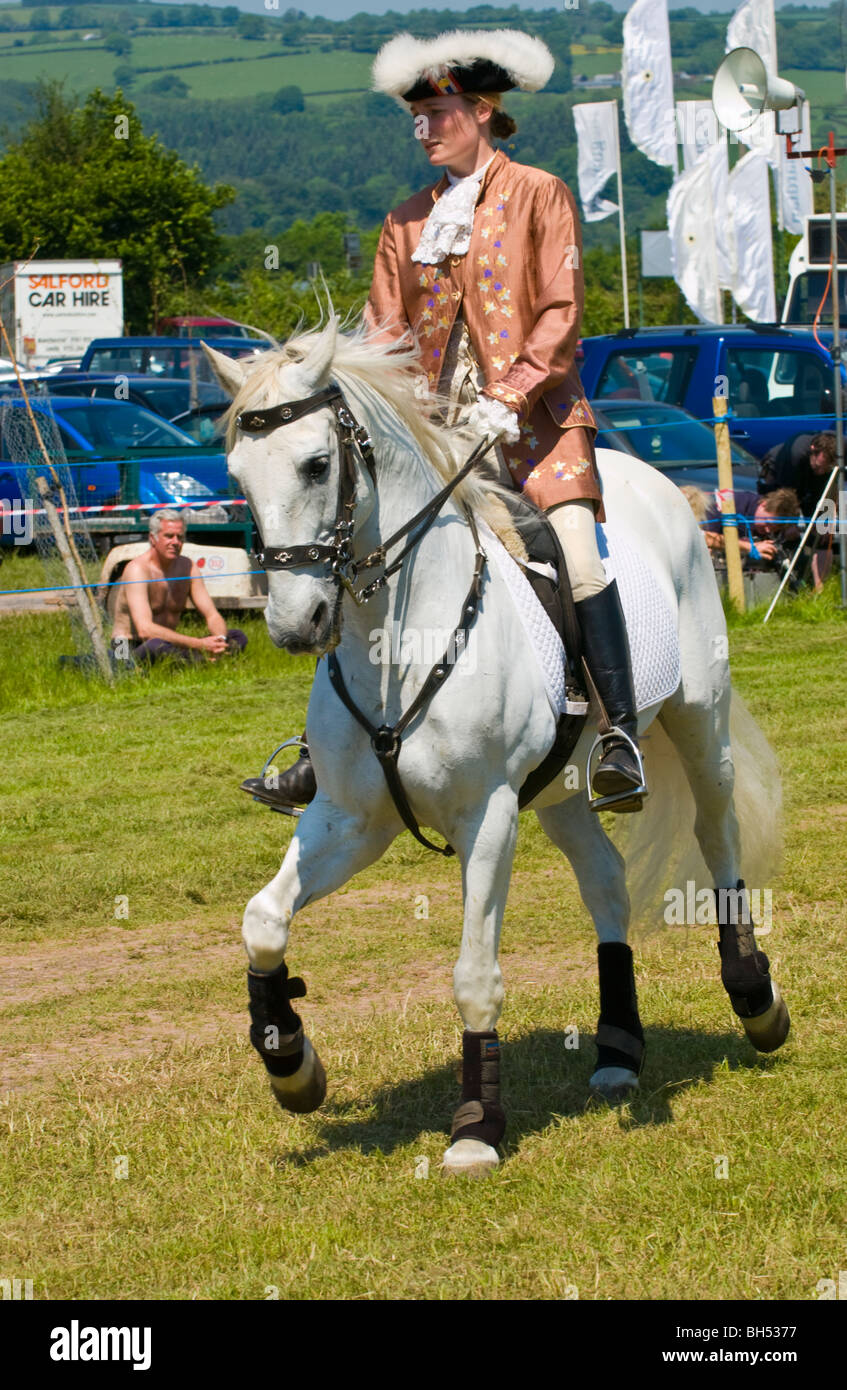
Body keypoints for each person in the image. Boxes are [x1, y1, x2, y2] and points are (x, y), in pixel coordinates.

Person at [244, 28, 645, 815]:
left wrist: (512, 396)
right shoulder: (403, 222)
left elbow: (561, 312)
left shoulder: (538, 193)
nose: (423, 128)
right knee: (366, 565)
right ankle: (325, 752)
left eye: (437, 113)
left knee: (577, 557)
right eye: (416, 117)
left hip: (538, 427)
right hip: (435, 436)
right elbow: (384, 334)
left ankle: (618, 735)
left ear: (484, 111)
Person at [111, 509, 247, 664]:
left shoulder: (188, 567)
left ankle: (205, 658)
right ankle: (201, 660)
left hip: (168, 644)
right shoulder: (137, 570)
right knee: (156, 646)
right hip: (125, 645)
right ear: (153, 538)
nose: (175, 542)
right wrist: (200, 644)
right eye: (169, 536)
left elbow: (212, 615)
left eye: (180, 537)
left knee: (237, 636)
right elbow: (145, 630)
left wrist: (220, 641)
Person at [699, 487, 800, 566]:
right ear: (764, 504)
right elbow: (705, 539)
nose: (768, 530)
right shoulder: (731, 504)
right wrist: (750, 547)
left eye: (774, 528)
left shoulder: (772, 528)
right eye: (767, 523)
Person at [758, 431, 837, 519]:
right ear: (812, 449)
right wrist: (791, 523)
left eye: (825, 469)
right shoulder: (795, 454)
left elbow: (816, 498)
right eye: (818, 467)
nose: (821, 472)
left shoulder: (839, 449)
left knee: (814, 508)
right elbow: (787, 493)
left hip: (806, 473)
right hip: (777, 473)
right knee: (776, 511)